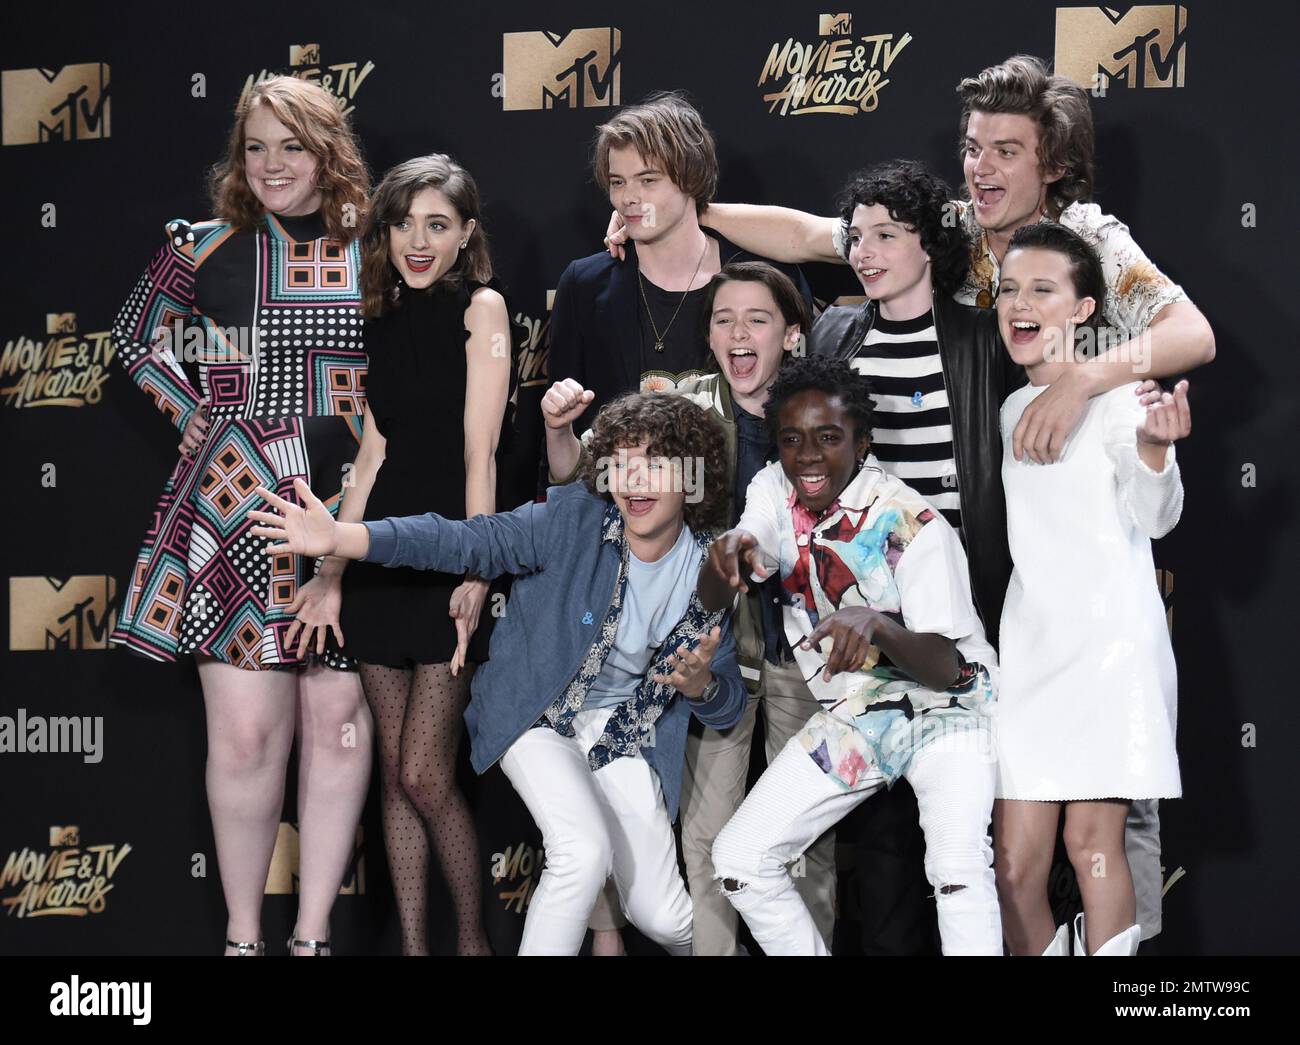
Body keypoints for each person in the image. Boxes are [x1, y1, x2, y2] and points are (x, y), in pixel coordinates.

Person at [610, 54, 1214, 950]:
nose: (983, 167)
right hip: (976, 600)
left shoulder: (1091, 239)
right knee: (998, 851)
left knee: (1104, 831)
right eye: (973, 147)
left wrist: (1080, 380)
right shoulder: (959, 231)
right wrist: (676, 215)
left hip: (1065, 593)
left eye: (1007, 151)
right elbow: (817, 237)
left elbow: (1190, 333)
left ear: (1051, 165)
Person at [249, 392, 747, 955]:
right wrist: (344, 539)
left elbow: (728, 701)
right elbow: (462, 538)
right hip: (538, 715)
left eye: (655, 464)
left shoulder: (710, 566)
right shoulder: (572, 519)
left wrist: (702, 685)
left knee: (666, 917)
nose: (636, 481)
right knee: (581, 852)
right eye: (623, 463)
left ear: (692, 477)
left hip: (623, 733)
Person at [109, 76, 373, 955]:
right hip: (237, 513)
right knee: (250, 734)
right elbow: (137, 336)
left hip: (348, 512)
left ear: (328, 152)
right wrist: (202, 422)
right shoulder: (205, 245)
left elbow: (414, 365)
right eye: (255, 147)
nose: (270, 165)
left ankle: (311, 937)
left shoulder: (370, 249)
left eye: (291, 147)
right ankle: (242, 935)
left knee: (337, 727)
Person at [544, 263, 835, 954]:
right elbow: (582, 473)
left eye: (756, 319)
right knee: (705, 834)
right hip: (709, 659)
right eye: (723, 319)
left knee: (804, 836)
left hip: (805, 653)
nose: (738, 332)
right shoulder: (680, 404)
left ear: (791, 335)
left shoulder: (823, 418)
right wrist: (559, 430)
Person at [702, 356, 1002, 955]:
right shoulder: (772, 490)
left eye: (829, 437)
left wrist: (878, 627)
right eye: (792, 439)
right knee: (741, 857)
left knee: (957, 868)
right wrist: (732, 550)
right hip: (862, 713)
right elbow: (731, 567)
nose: (808, 455)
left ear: (862, 442)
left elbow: (949, 669)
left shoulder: (911, 522)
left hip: (952, 709)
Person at [306, 155, 510, 954]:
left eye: (437, 224)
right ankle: (416, 947)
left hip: (447, 556)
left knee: (427, 772)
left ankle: (472, 940)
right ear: (384, 232)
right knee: (395, 774)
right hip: (379, 563)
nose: (418, 241)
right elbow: (371, 454)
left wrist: (476, 568)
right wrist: (331, 574)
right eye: (403, 223)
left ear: (465, 235)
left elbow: (480, 455)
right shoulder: (379, 313)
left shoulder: (483, 310)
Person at [992, 222, 1187, 955]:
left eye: (1042, 289)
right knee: (1012, 869)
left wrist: (1157, 450)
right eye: (1009, 288)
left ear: (1082, 309)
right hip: (1031, 653)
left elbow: (1156, 516)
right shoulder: (1010, 409)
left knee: (1093, 845)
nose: (1020, 302)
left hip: (1110, 652)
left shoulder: (1122, 397)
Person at [547, 91, 811, 442]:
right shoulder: (586, 284)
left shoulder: (764, 279)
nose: (628, 197)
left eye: (648, 180)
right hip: (621, 492)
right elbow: (561, 426)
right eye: (618, 182)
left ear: (690, 178)